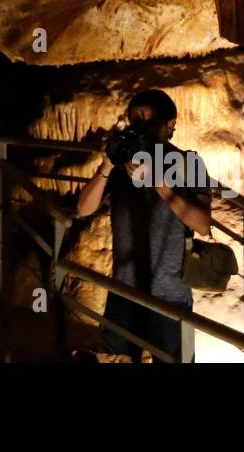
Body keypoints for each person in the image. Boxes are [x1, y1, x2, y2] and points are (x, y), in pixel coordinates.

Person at [74, 89, 212, 362]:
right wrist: (105, 166)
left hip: (170, 296)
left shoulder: (188, 163)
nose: (141, 128)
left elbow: (203, 224)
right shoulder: (122, 165)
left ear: (170, 125)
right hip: (124, 291)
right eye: (135, 121)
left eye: (148, 120)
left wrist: (159, 182)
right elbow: (82, 209)